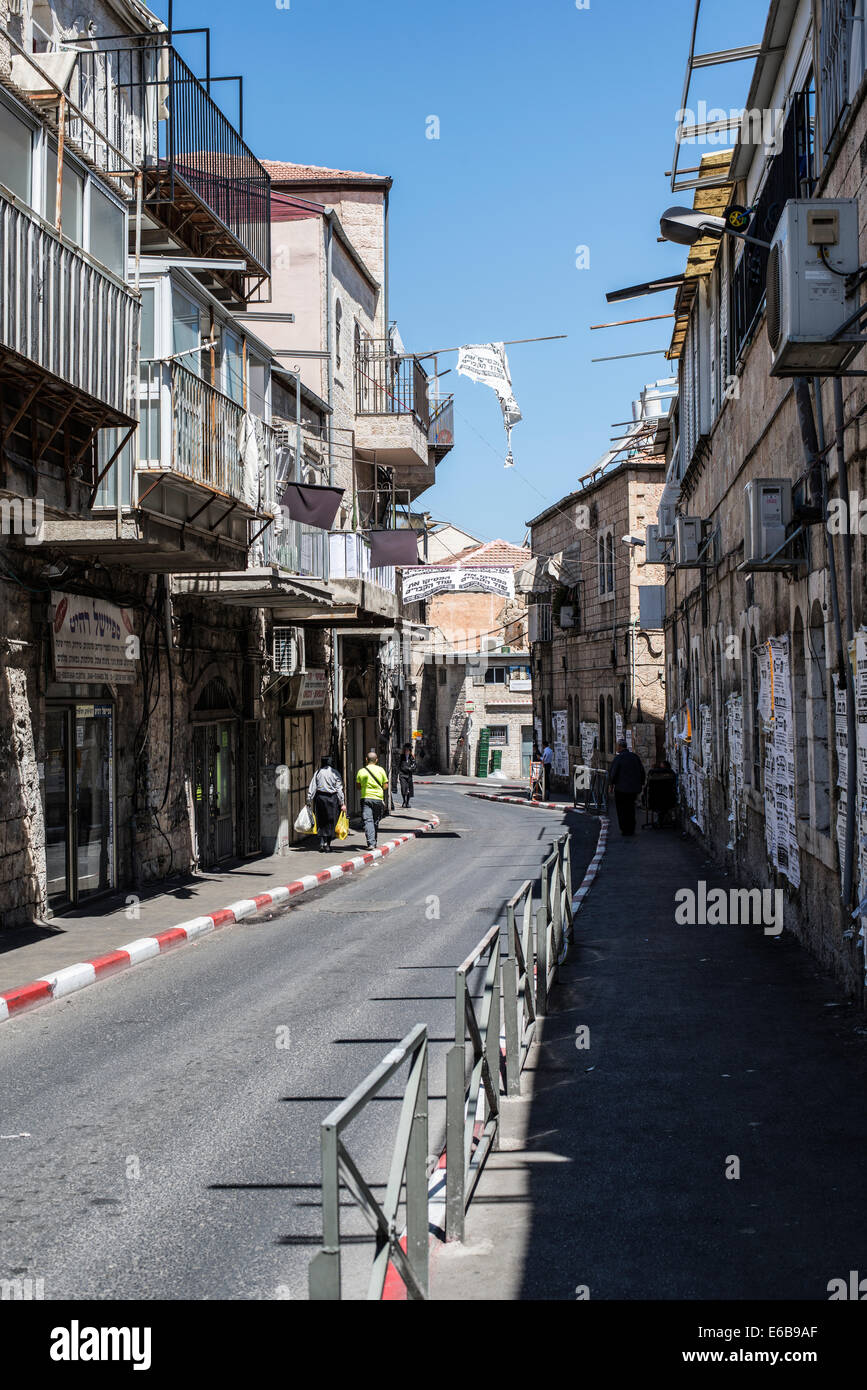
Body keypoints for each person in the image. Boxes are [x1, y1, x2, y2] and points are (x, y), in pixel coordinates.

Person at [307, 756, 346, 853]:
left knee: (321, 821)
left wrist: (309, 799)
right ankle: (327, 845)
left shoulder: (318, 773)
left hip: (320, 798)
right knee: (331, 821)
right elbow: (339, 789)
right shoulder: (335, 773)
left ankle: (321, 842)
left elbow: (312, 787)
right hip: (332, 799)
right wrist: (342, 803)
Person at [607, 739, 646, 837]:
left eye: (617, 746)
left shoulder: (618, 758)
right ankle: (631, 828)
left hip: (621, 789)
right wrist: (641, 783)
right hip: (633, 789)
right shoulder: (634, 757)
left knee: (622, 809)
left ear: (620, 747)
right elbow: (642, 771)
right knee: (630, 808)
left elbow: (613, 773)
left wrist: (611, 785)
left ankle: (625, 829)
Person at [356, 749, 389, 849]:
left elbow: (358, 787)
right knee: (375, 821)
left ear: (366, 759)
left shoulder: (361, 772)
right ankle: (373, 841)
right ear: (376, 760)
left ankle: (371, 842)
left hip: (366, 798)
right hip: (378, 799)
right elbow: (386, 786)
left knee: (368, 820)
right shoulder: (381, 770)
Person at [398, 743, 417, 808]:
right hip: (402, 775)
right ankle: (404, 801)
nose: (407, 751)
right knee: (403, 788)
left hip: (409, 775)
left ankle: (407, 802)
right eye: (406, 750)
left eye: (408, 750)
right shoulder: (401, 757)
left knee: (409, 789)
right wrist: (408, 768)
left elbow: (414, 766)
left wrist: (410, 768)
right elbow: (401, 766)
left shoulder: (411, 757)